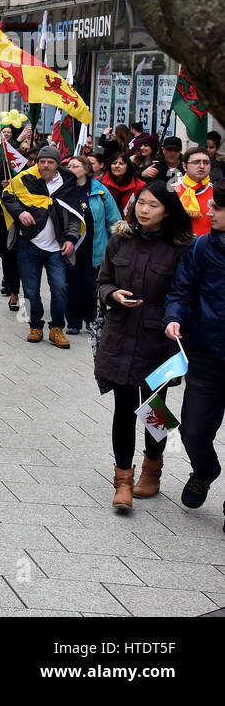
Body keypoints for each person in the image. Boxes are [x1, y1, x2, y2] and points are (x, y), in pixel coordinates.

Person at [94, 180, 193, 510]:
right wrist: (113, 294)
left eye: (153, 205)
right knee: (123, 408)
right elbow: (103, 280)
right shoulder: (121, 239)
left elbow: (185, 294)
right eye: (141, 203)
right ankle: (122, 479)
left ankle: (152, 469)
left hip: (158, 340)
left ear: (167, 211)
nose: (144, 209)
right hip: (120, 334)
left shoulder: (181, 247)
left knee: (155, 409)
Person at [164, 184, 225, 520]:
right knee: (193, 429)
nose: (209, 212)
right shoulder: (202, 247)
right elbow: (182, 290)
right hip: (206, 354)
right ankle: (204, 470)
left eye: (216, 208)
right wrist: (174, 318)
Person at [1, 145, 86, 348]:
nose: (45, 165)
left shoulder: (67, 184)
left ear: (57, 164)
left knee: (60, 288)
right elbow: (7, 197)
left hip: (57, 247)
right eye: (42, 161)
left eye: (50, 162)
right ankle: (34, 325)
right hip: (28, 245)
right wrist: (20, 213)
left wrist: (71, 239)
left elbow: (74, 216)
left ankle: (56, 328)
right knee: (30, 291)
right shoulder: (26, 179)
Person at [63, 156, 123, 335]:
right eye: (69, 165)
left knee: (91, 285)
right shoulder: (64, 189)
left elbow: (114, 220)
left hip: (94, 246)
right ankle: (73, 322)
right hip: (71, 246)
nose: (71, 168)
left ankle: (91, 319)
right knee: (70, 284)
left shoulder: (100, 190)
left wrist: (118, 244)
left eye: (76, 166)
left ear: (87, 169)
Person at [176, 146, 215, 237]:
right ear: (184, 166)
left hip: (207, 247)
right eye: (196, 162)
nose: (202, 166)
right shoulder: (171, 190)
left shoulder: (217, 192)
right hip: (177, 247)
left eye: (206, 162)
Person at [101, 151, 146, 217]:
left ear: (128, 166)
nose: (117, 166)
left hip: (127, 224)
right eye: (114, 163)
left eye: (121, 164)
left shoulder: (139, 186)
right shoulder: (100, 183)